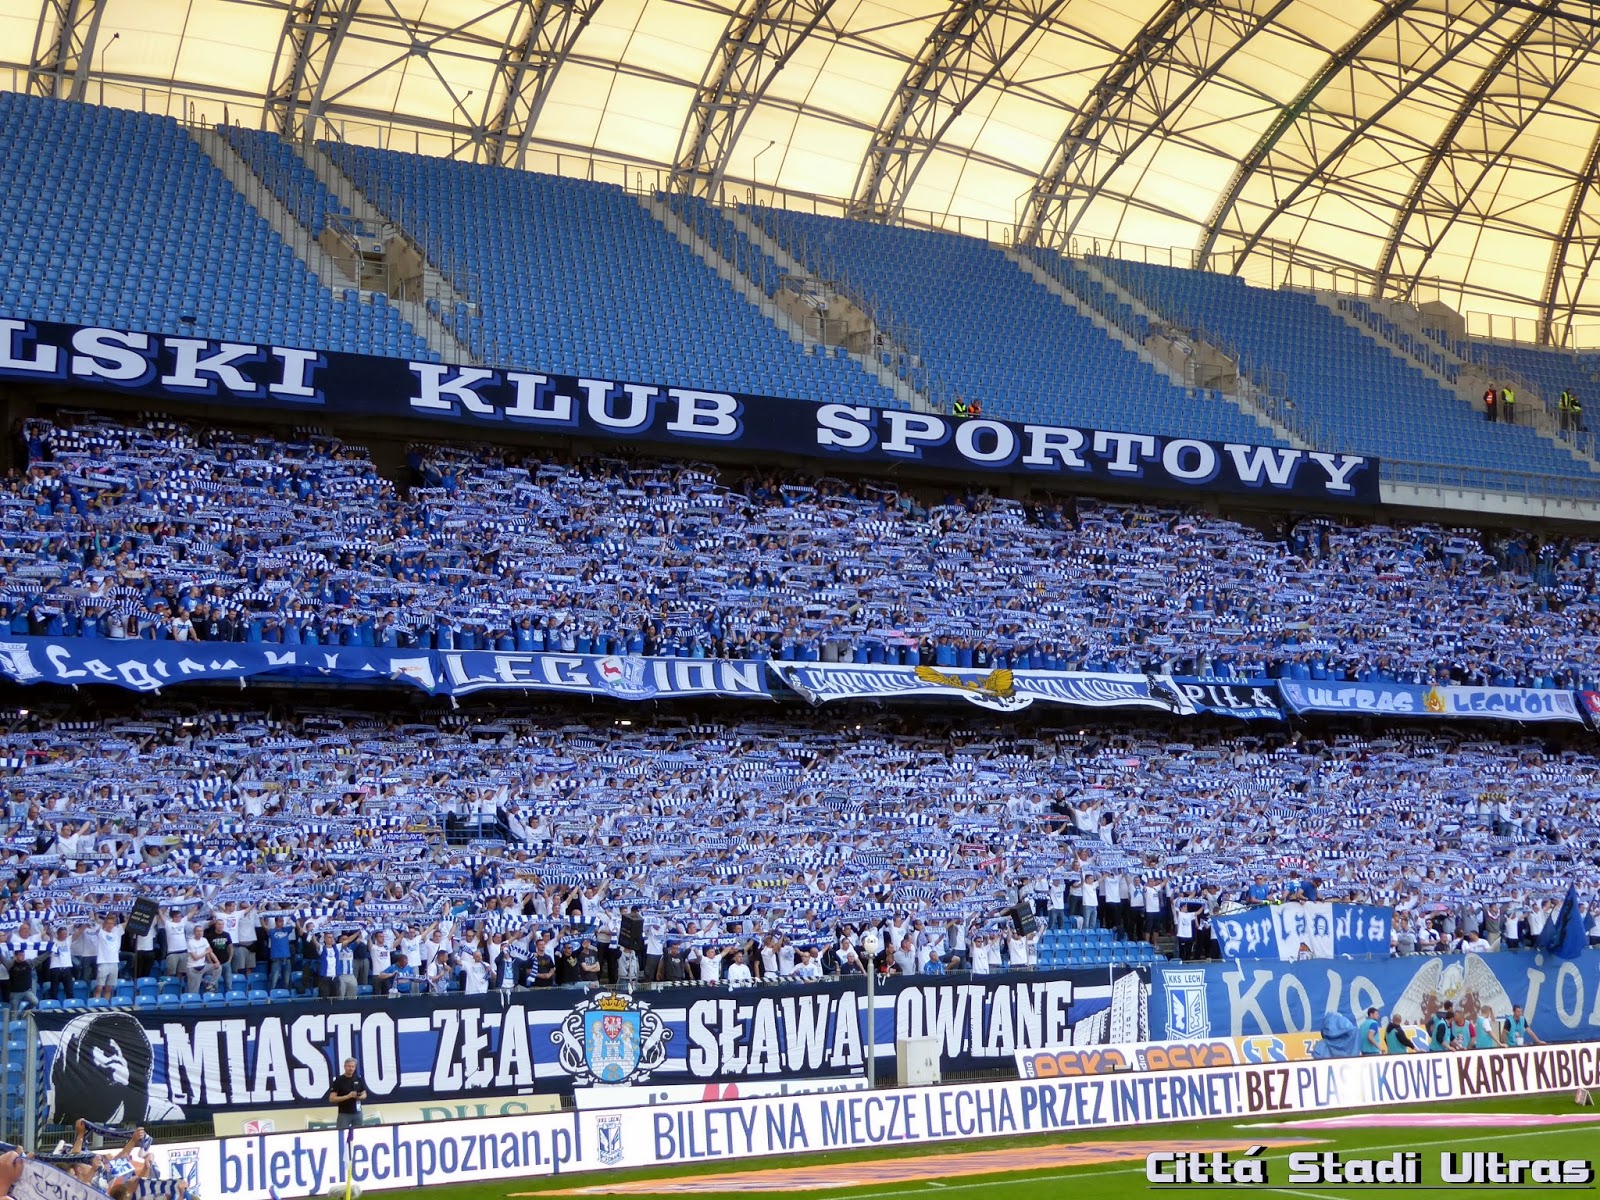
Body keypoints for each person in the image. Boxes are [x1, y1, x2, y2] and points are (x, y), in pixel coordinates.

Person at [327, 1058, 368, 1131]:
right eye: (349, 1066)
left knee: (358, 1133)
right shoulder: (339, 1080)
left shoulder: (358, 1079)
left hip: (357, 1113)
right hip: (344, 1113)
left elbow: (364, 1094)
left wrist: (359, 1097)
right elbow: (332, 1098)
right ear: (344, 1067)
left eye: (353, 1066)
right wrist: (347, 1096)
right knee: (341, 1133)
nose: (351, 1068)